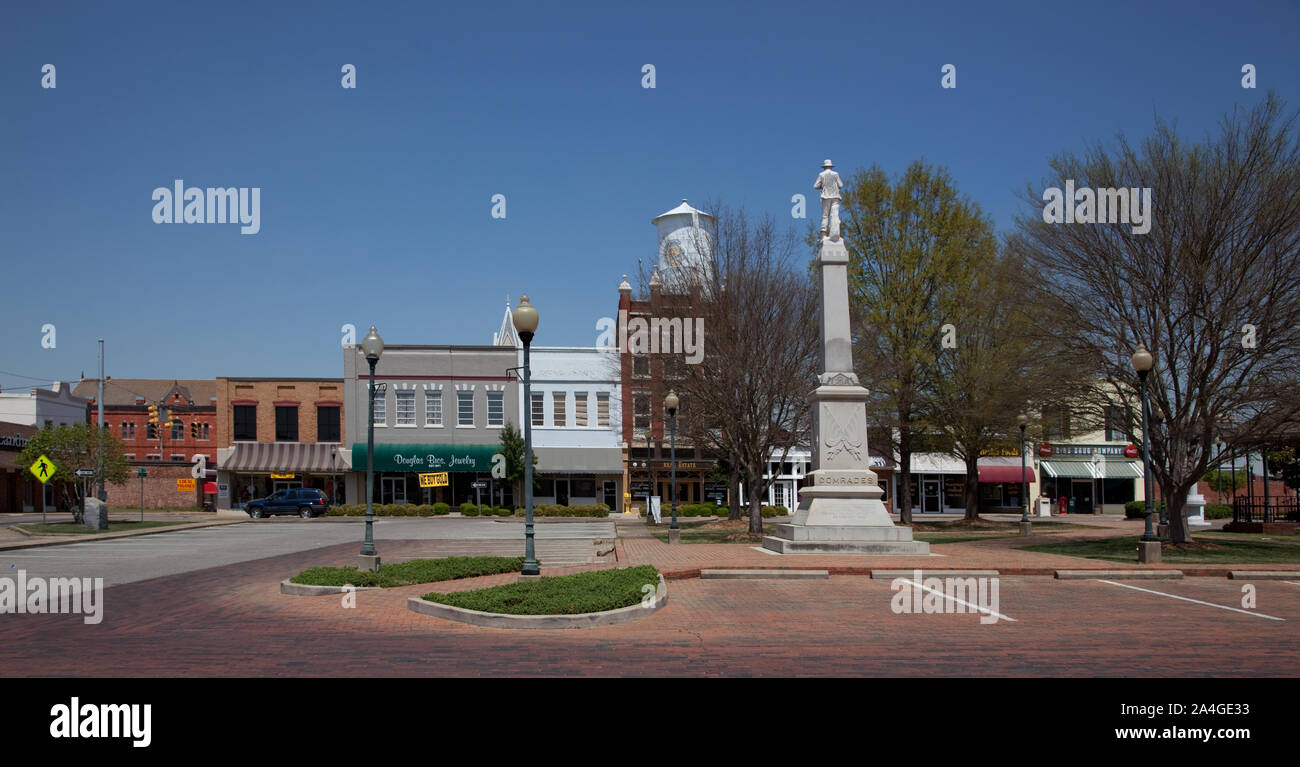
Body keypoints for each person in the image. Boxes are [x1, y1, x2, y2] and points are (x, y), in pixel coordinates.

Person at [814, 158, 844, 240]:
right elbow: (841, 185)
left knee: (825, 216)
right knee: (835, 215)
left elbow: (816, 186)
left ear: (824, 167)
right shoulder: (835, 174)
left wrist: (823, 186)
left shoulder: (821, 175)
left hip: (826, 196)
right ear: (831, 166)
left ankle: (823, 234)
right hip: (835, 197)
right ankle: (834, 232)